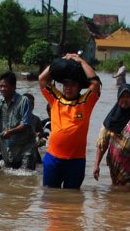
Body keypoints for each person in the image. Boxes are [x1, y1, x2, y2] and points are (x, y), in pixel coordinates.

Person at [38, 52, 102, 189]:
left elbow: (95, 83)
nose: (68, 88)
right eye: (65, 85)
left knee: (73, 200)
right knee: (50, 197)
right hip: (53, 158)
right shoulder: (55, 99)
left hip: (76, 161)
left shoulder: (86, 102)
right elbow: (42, 79)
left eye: (73, 85)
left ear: (79, 87)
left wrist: (80, 61)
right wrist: (60, 62)